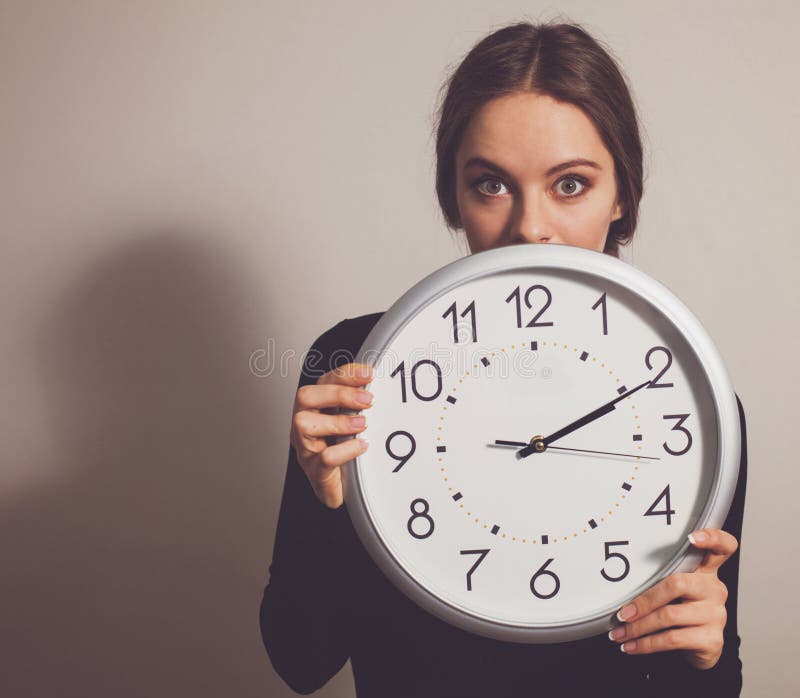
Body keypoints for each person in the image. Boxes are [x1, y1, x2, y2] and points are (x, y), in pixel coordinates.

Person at [259, 20, 746, 697]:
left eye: (570, 184)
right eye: (491, 184)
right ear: (453, 198)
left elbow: (709, 687)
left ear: (622, 194)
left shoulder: (693, 405)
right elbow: (300, 663)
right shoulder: (358, 366)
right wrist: (331, 506)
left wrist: (704, 651)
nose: (530, 227)